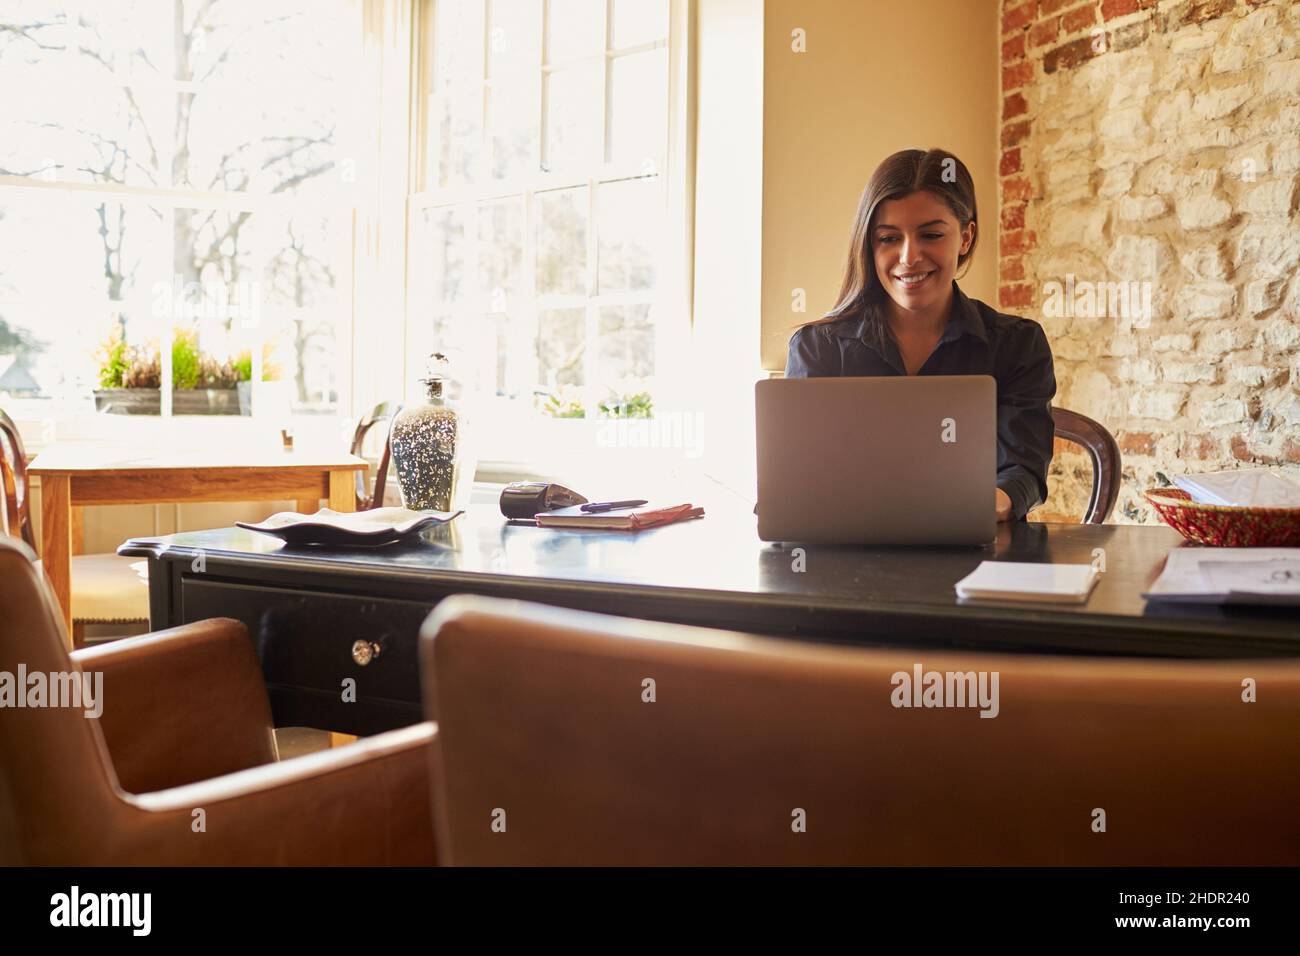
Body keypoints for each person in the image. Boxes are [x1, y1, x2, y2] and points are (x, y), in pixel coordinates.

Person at [785, 147, 1056, 522]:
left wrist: (985, 504)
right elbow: (796, 478)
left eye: (930, 234)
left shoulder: (1017, 344)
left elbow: (1023, 470)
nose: (909, 256)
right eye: (888, 238)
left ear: (965, 237)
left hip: (978, 553)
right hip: (847, 559)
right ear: (869, 244)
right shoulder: (818, 349)